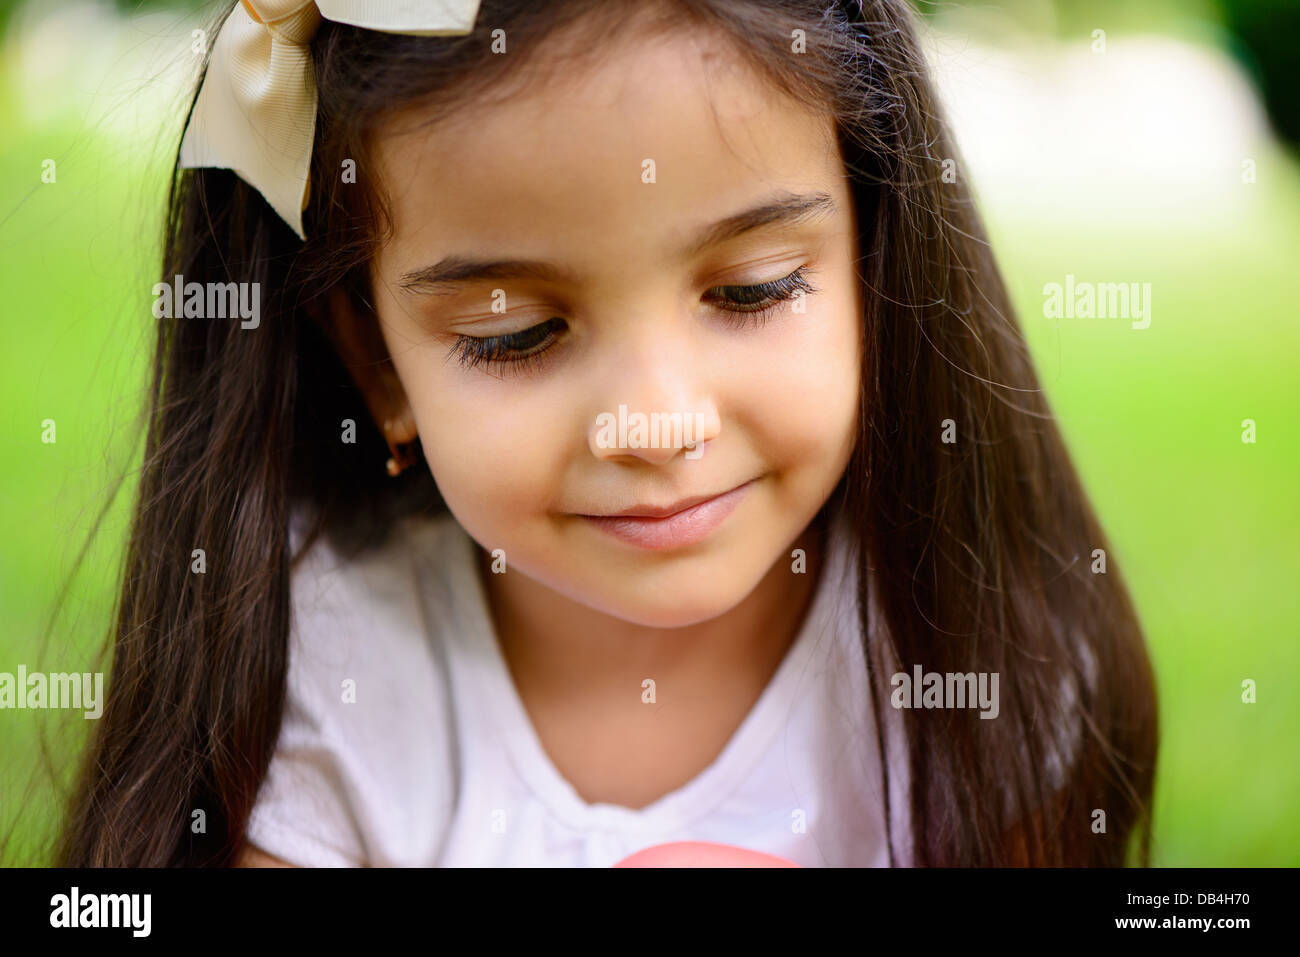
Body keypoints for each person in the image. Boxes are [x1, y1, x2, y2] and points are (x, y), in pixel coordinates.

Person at [55, 0, 1158, 867]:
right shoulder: (332, 666)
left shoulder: (975, 651)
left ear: (877, 262)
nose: (655, 423)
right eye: (519, 336)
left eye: (753, 291)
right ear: (377, 364)